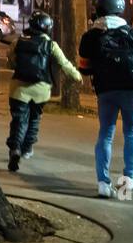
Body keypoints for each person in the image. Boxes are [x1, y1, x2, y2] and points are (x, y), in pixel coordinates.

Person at [78, 0, 133, 199]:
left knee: (105, 134)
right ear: (120, 10)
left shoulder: (90, 36)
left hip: (106, 91)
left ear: (97, 10)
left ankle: (103, 183)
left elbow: (84, 68)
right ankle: (129, 178)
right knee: (131, 133)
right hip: (132, 91)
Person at [6, 11, 81, 172]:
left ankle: (15, 149)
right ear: (47, 28)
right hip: (41, 90)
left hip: (18, 88)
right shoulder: (51, 45)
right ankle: (27, 149)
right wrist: (77, 76)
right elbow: (64, 63)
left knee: (18, 120)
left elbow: (11, 61)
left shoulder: (18, 42)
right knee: (34, 119)